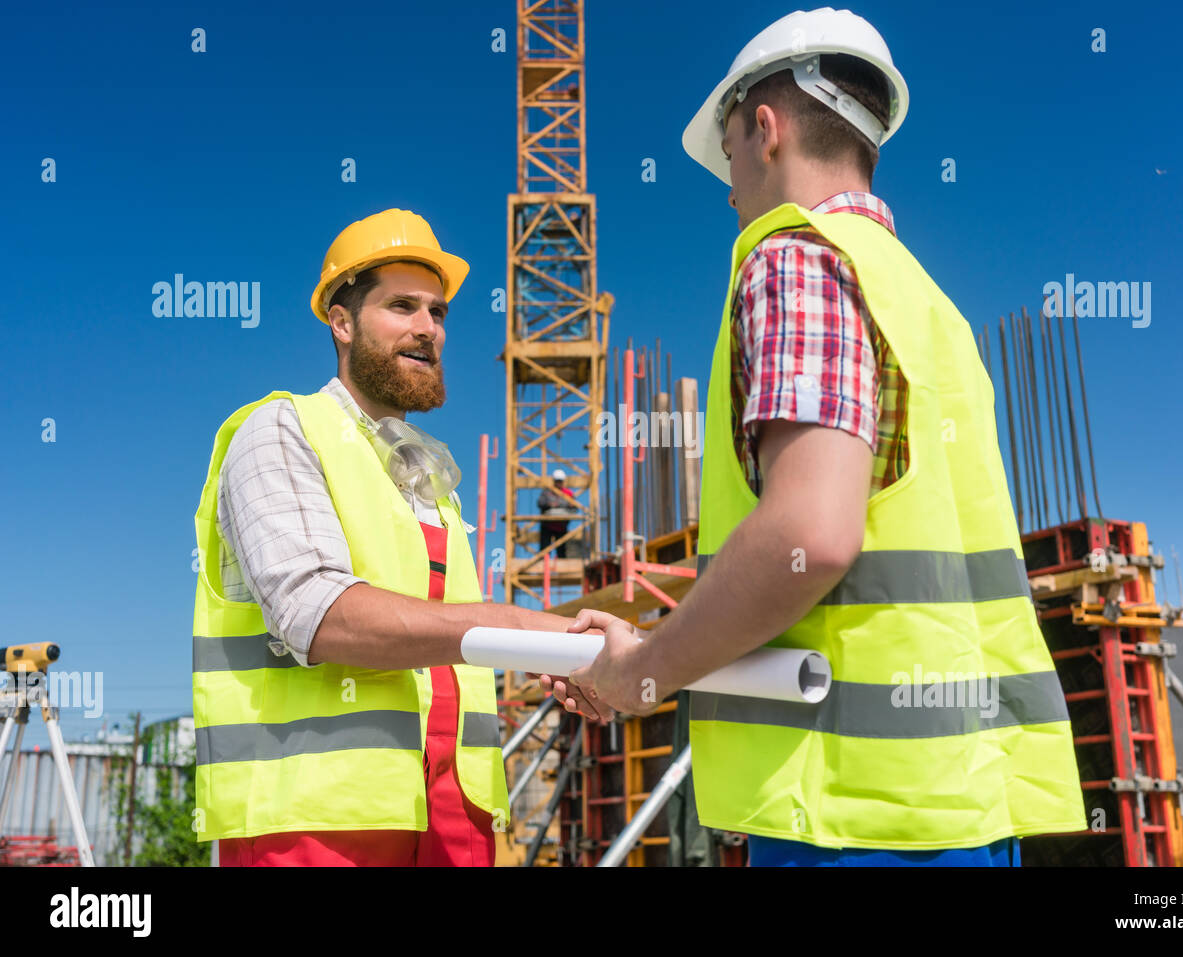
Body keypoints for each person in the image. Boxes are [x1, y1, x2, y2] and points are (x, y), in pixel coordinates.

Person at [557, 9, 1086, 866]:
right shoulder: (930, 306)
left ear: (765, 131)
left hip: (846, 814)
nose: (729, 189)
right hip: (966, 803)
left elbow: (811, 532)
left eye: (727, 153)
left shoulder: (793, 256)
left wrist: (642, 671)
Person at [191, 208, 611, 868]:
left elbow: (444, 654)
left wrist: (568, 661)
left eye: (438, 312)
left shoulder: (429, 480)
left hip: (452, 820)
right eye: (402, 306)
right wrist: (542, 635)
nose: (429, 329)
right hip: (319, 823)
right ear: (341, 320)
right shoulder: (280, 430)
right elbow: (318, 613)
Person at [537, 468, 579, 557]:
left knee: (561, 552)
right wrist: (550, 504)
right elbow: (540, 503)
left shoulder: (568, 493)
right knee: (544, 551)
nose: (559, 483)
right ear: (554, 481)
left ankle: (561, 565)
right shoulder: (547, 492)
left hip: (561, 526)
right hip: (547, 526)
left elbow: (575, 507)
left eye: (560, 481)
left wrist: (566, 505)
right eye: (557, 481)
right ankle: (544, 565)